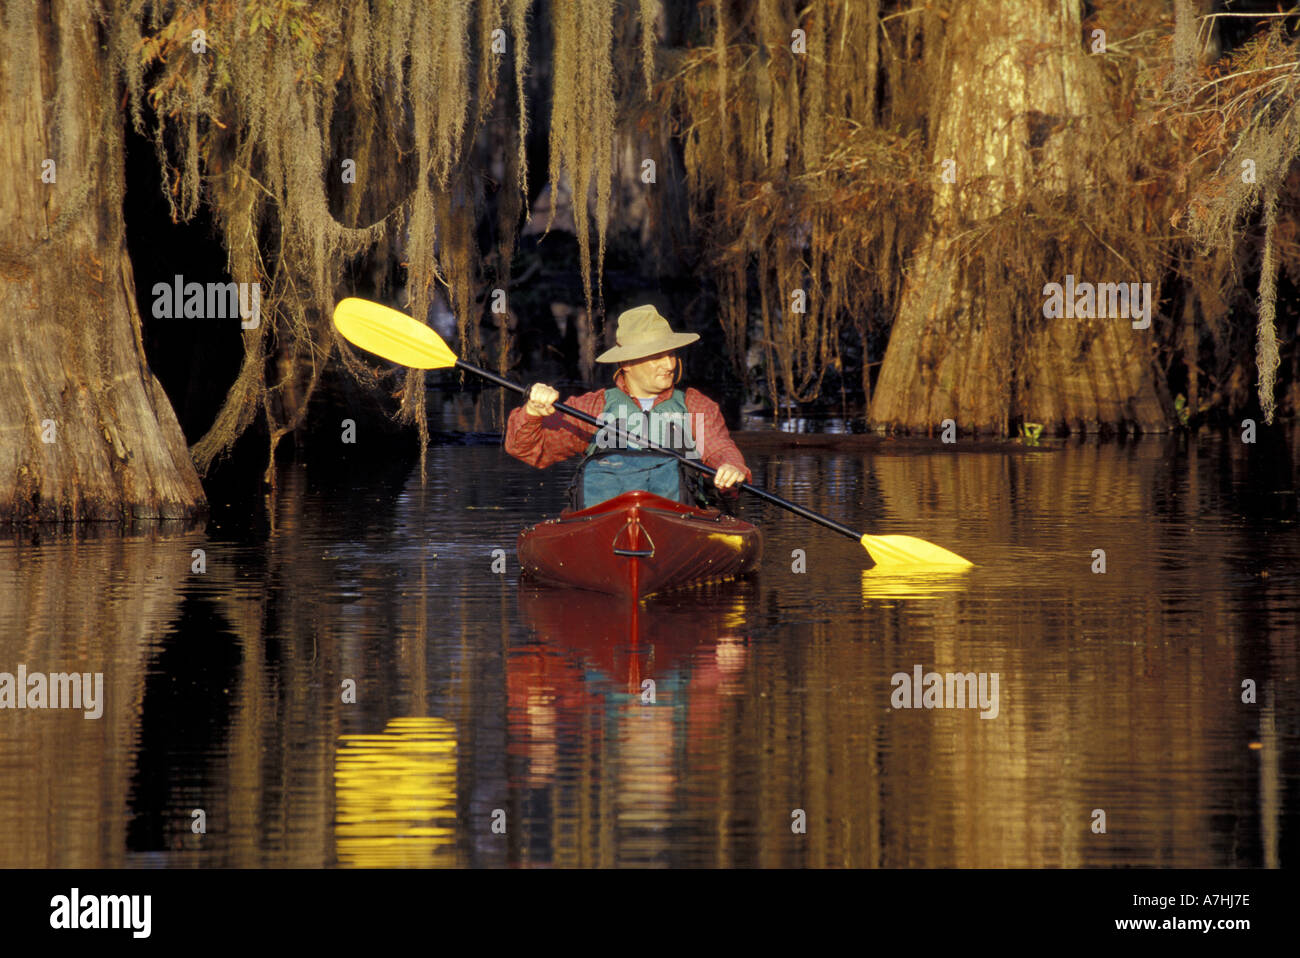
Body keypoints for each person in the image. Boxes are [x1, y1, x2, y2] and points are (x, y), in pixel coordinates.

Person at [504, 304, 750, 510]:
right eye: (656, 356)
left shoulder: (697, 406)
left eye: (671, 354)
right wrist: (532, 413)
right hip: (605, 519)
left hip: (678, 519)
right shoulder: (593, 407)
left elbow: (720, 449)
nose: (669, 364)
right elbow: (527, 448)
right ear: (627, 363)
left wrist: (731, 468)